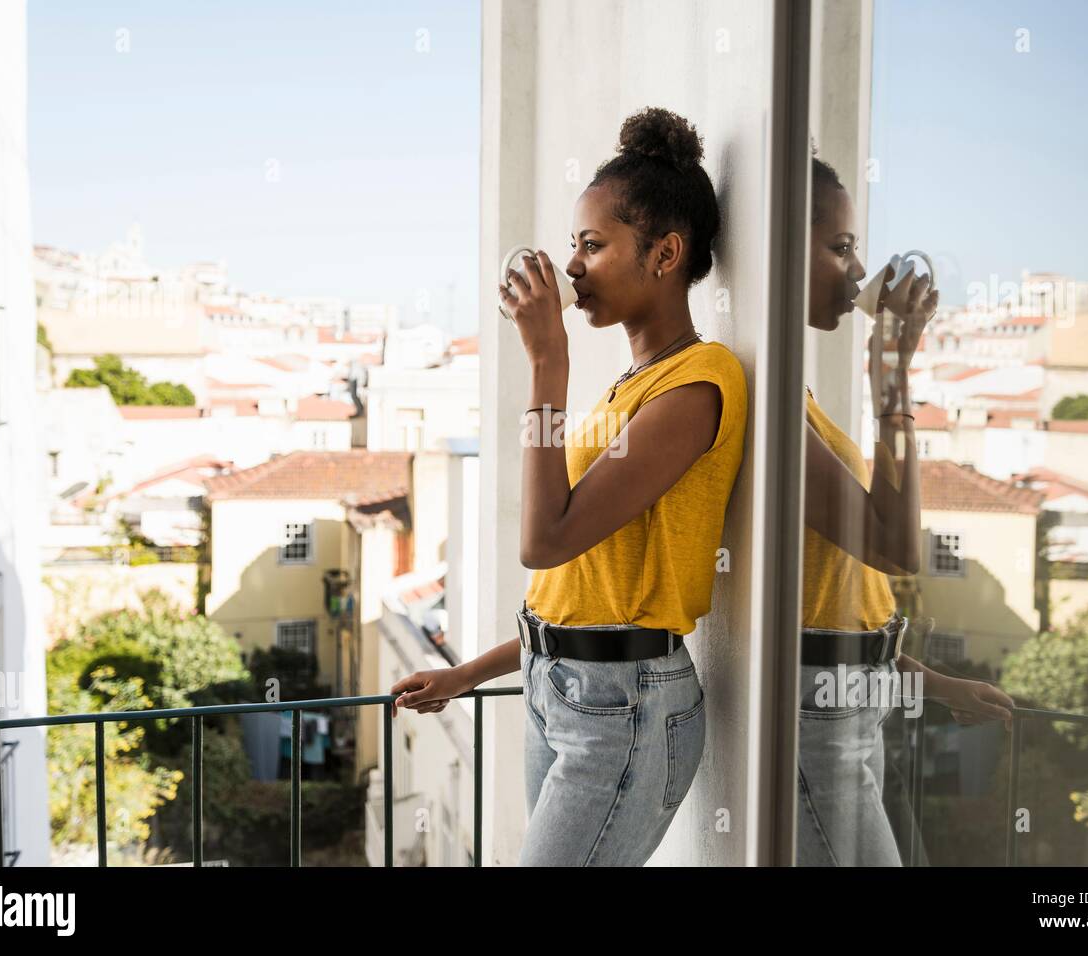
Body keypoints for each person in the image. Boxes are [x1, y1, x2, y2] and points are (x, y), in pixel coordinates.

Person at [389, 107, 748, 866]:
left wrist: (547, 364)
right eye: (572, 245)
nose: (572, 266)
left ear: (665, 254)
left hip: (627, 707)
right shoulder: (629, 386)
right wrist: (464, 674)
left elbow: (542, 542)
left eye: (593, 245)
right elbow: (573, 592)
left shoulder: (698, 384)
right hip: (560, 690)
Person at [795, 153, 1016, 866]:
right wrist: (890, 369)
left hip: (846, 713)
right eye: (839, 247)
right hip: (820, 727)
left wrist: (939, 685)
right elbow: (893, 548)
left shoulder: (789, 399)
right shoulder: (764, 404)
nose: (858, 272)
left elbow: (834, 618)